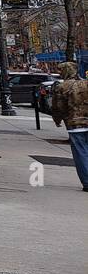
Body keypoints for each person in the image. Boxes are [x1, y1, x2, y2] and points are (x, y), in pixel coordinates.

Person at [48, 60, 88, 191]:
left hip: (75, 125)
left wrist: (57, 120)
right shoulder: (86, 84)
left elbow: (58, 107)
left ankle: (87, 182)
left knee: (80, 153)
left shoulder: (62, 87)